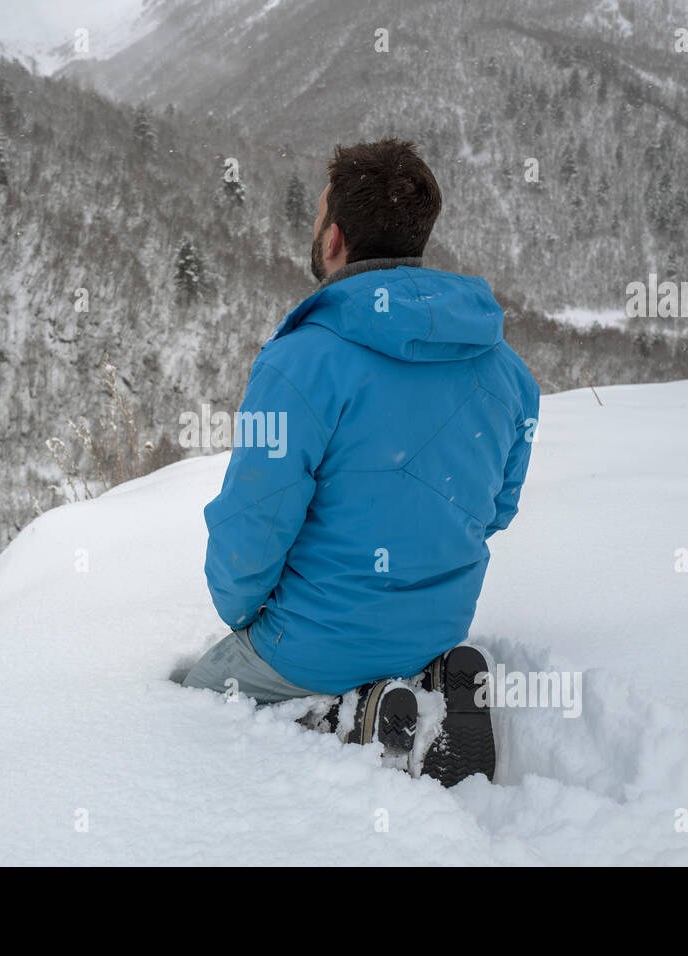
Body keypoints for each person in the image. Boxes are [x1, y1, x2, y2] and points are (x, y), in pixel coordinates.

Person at [182, 139, 540, 787]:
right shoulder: (505, 370)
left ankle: (349, 718)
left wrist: (243, 617)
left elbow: (251, 527)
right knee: (381, 646)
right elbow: (496, 509)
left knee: (198, 697)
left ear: (334, 239)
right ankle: (426, 676)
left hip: (316, 641)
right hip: (440, 619)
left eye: (319, 217)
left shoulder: (297, 364)